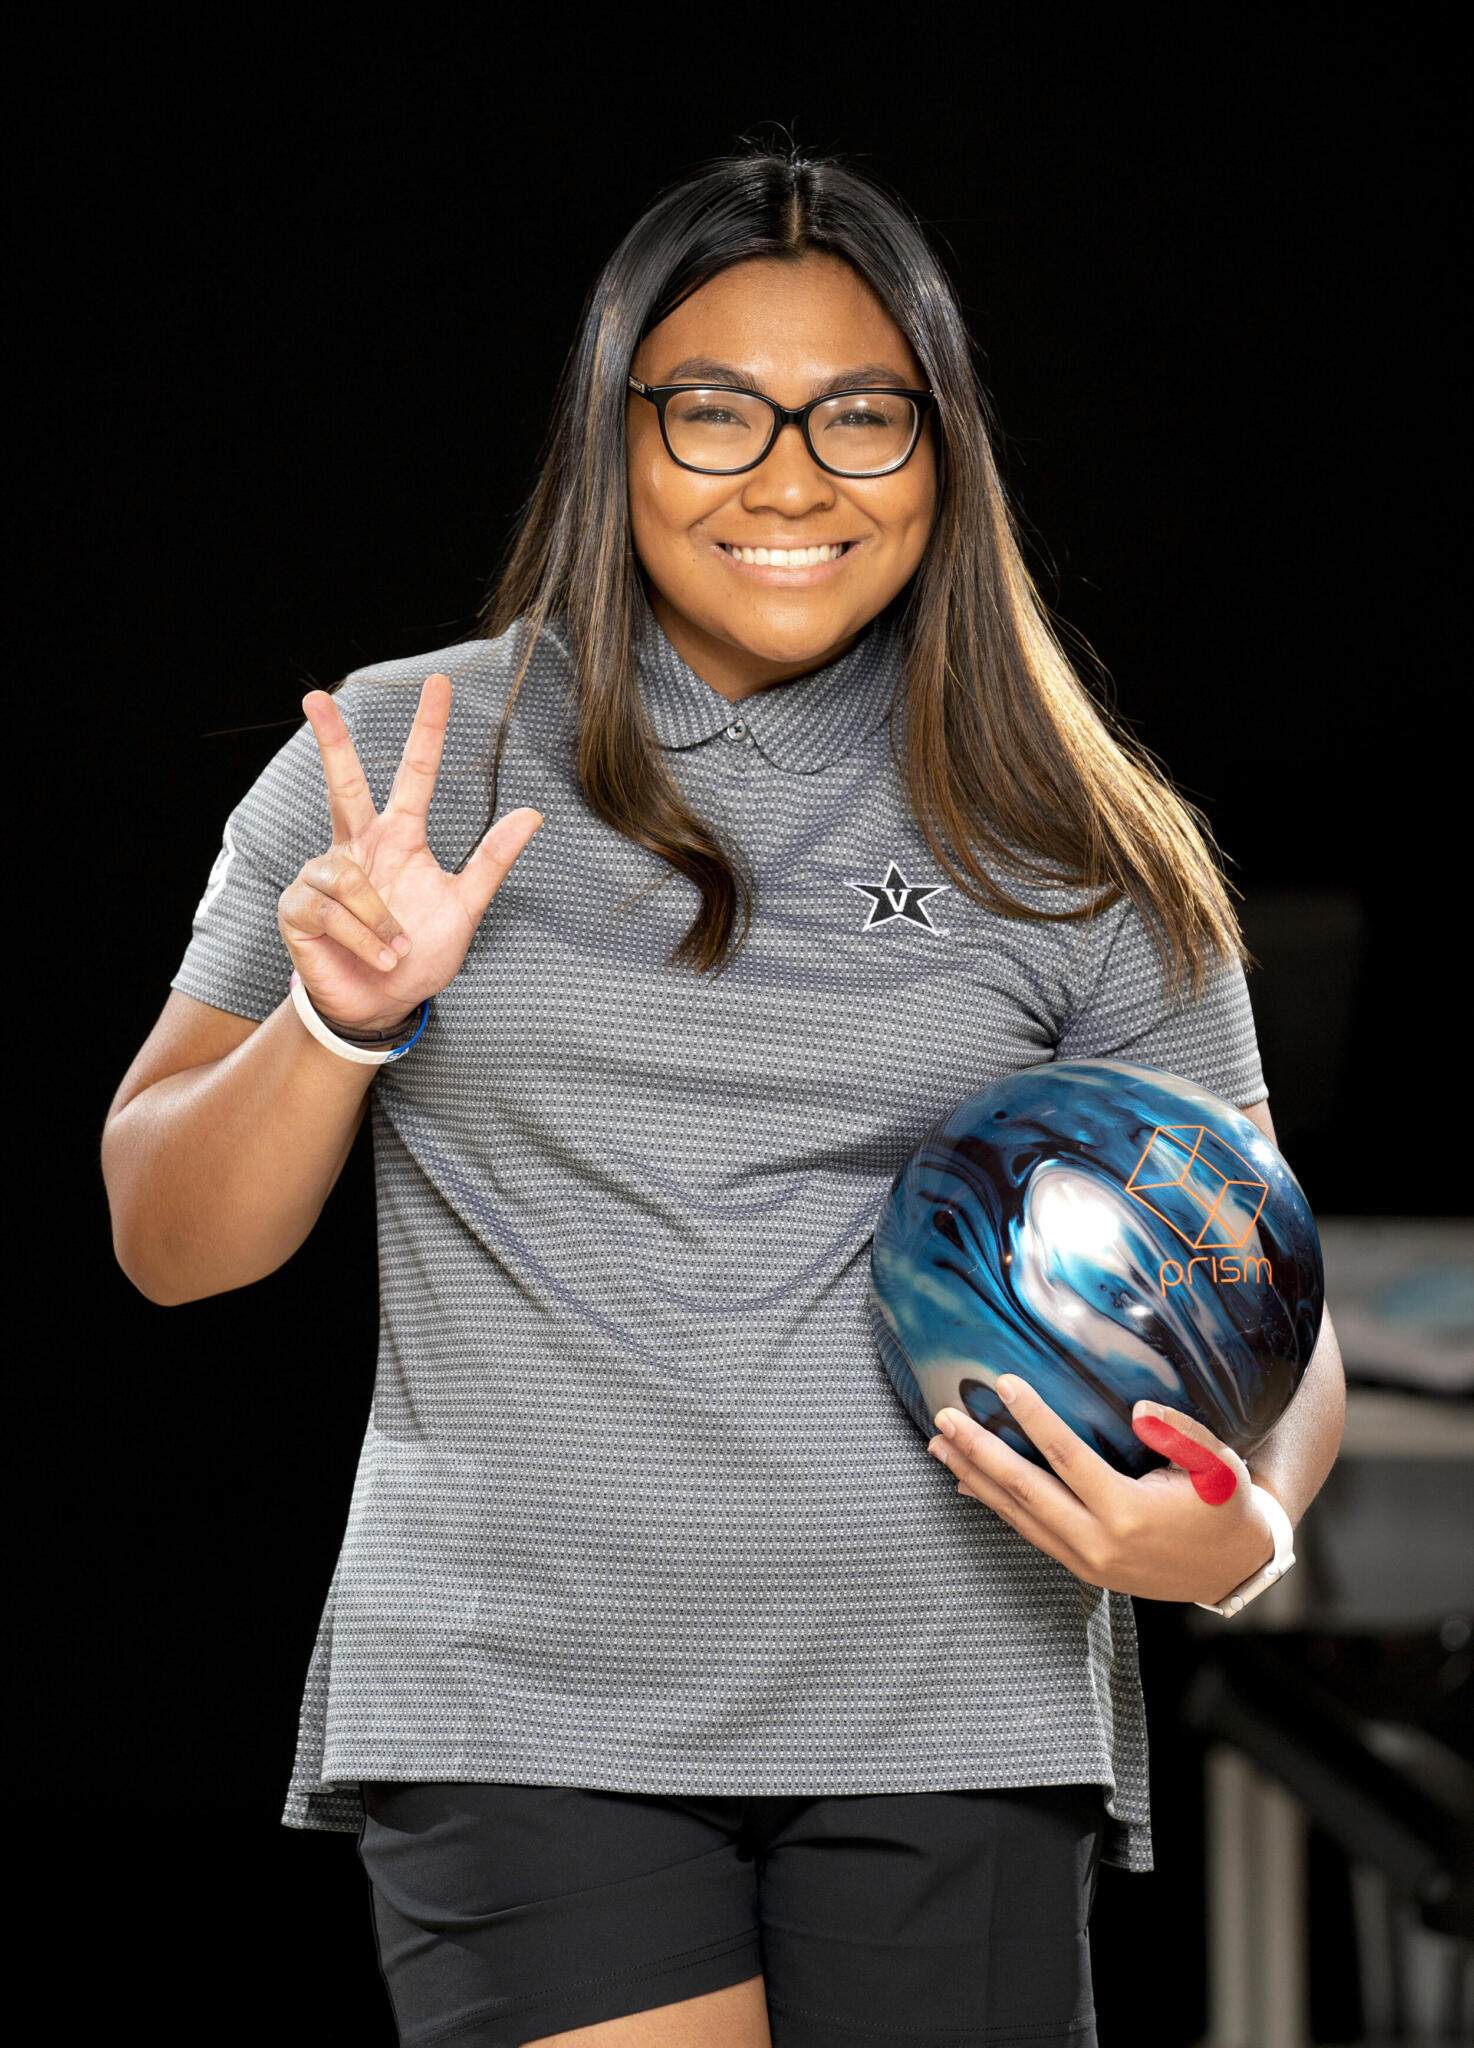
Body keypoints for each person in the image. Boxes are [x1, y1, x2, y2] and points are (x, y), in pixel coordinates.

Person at [101, 146, 1345, 2048]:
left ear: (941, 455)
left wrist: (1245, 1532)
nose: (787, 477)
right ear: (614, 439)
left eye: (859, 416)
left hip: (956, 1691)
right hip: (516, 1696)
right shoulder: (392, 769)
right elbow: (168, 1248)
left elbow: (1260, 1275)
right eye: (713, 413)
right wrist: (335, 1026)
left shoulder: (1073, 839)